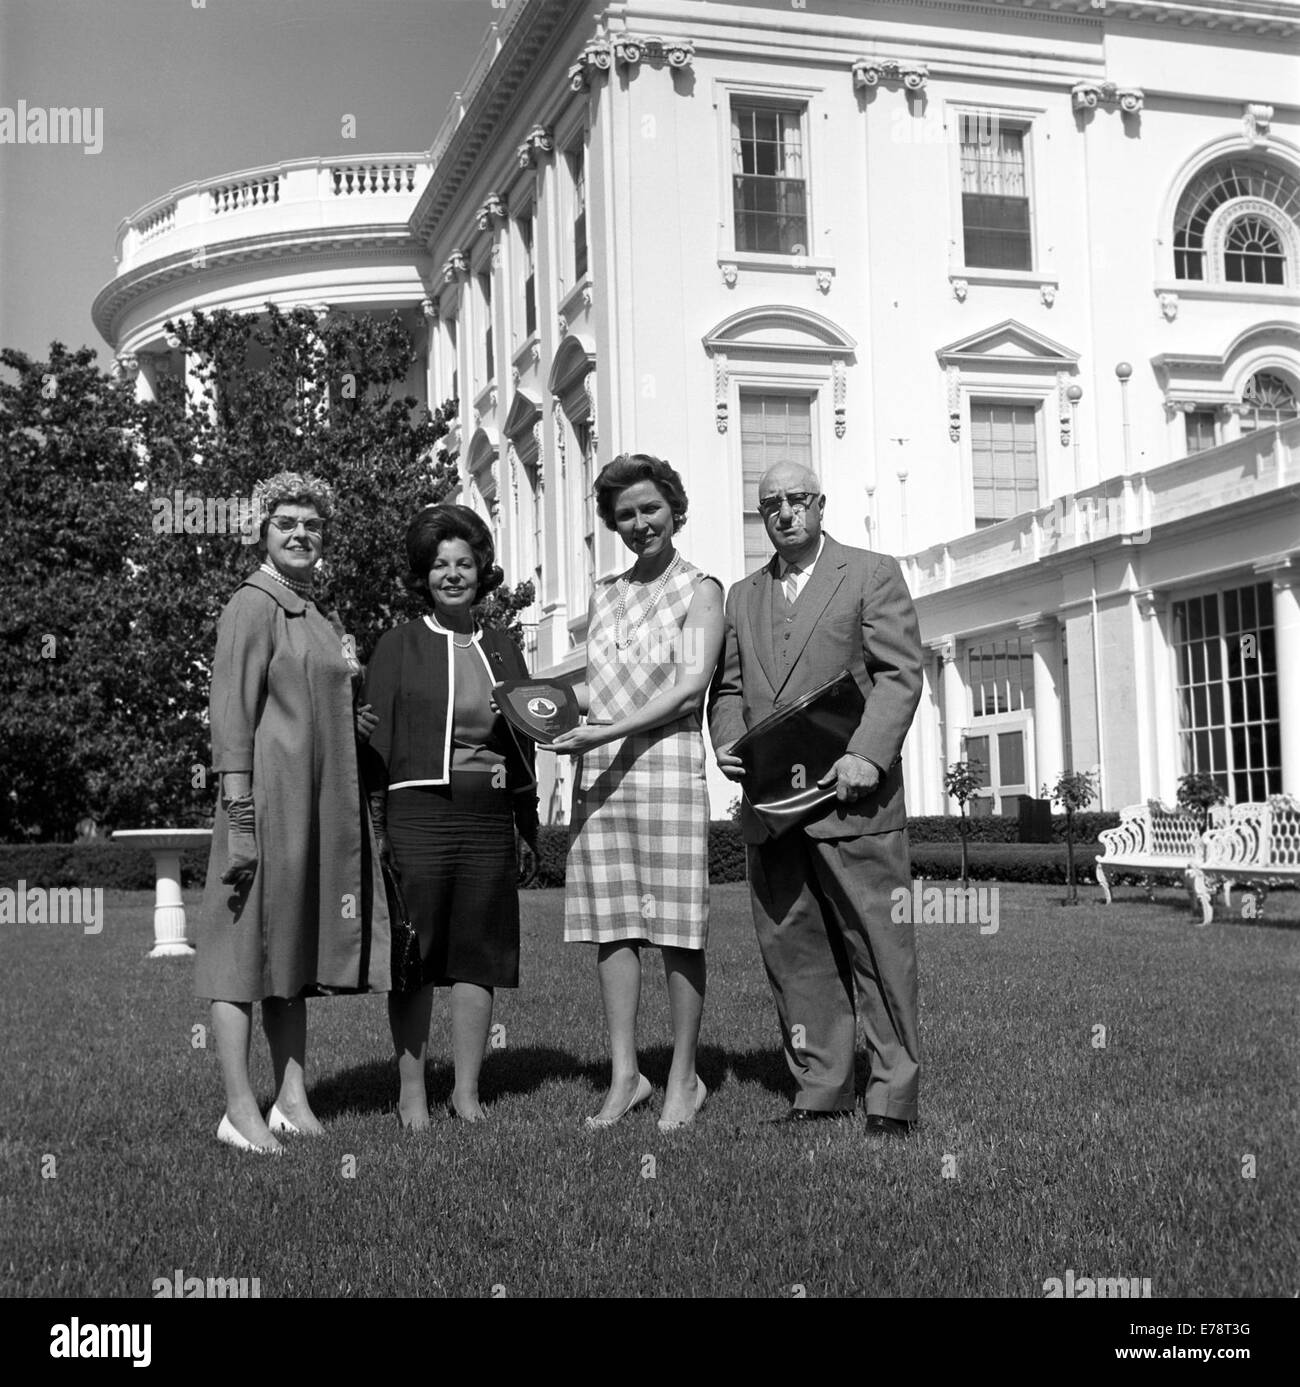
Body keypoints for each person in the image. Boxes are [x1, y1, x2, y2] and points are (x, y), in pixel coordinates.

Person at [707, 462, 924, 1136]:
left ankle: (892, 1094)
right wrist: (728, 741)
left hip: (853, 799)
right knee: (793, 950)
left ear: (821, 504)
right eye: (770, 502)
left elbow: (900, 672)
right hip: (772, 808)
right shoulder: (741, 597)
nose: (784, 512)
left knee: (877, 947)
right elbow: (726, 690)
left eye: (797, 499)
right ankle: (821, 1086)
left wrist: (868, 753)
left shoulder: (871, 573)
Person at [197, 471, 390, 1155]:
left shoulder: (312, 610)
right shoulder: (252, 604)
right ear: (261, 531)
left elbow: (320, 702)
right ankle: (238, 1108)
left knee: (290, 952)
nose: (301, 533)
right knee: (239, 953)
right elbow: (231, 716)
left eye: (311, 524)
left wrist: (352, 717)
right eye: (286, 523)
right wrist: (241, 816)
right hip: (265, 807)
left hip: (314, 807)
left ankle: (292, 1096)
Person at [550, 454, 723, 1131]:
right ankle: (626, 1074)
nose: (639, 522)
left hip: (666, 773)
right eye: (624, 514)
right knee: (612, 927)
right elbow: (598, 684)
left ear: (674, 508)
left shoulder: (702, 588)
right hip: (605, 777)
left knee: (678, 930)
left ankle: (685, 1076)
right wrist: (542, 704)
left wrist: (603, 731)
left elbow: (686, 687)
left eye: (650, 508)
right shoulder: (606, 593)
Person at [363, 504, 538, 1127]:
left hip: (488, 816)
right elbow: (374, 739)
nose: (453, 574)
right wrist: (377, 825)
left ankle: (466, 1092)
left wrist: (527, 822)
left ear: (481, 571)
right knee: (416, 954)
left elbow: (526, 738)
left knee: (478, 953)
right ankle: (412, 1093)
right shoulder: (399, 644)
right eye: (440, 565)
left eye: (464, 563)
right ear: (424, 575)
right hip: (418, 814)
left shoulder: (501, 645)